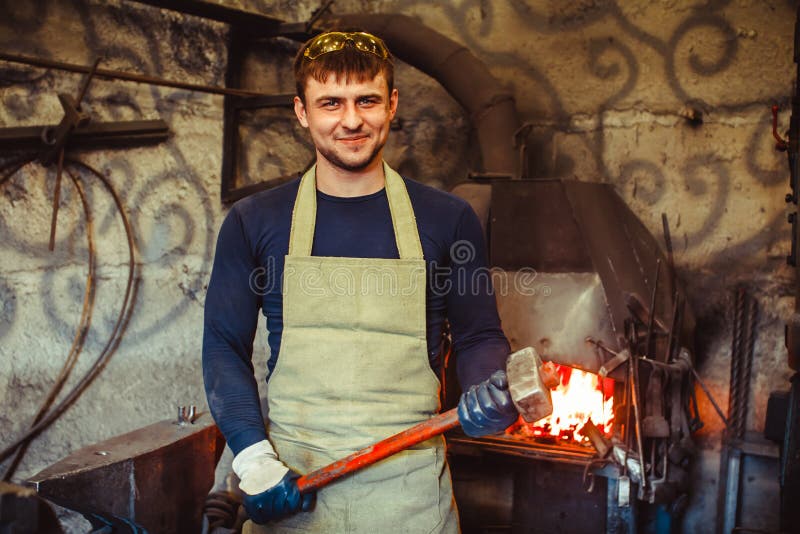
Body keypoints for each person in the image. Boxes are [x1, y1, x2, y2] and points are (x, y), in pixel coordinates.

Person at [202, 30, 518, 533]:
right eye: (331, 103)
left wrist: (487, 391)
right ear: (302, 112)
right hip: (292, 490)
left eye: (366, 100)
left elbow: (479, 336)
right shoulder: (253, 222)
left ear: (391, 105)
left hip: (409, 499)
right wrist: (253, 459)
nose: (351, 120)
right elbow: (223, 346)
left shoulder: (449, 220)